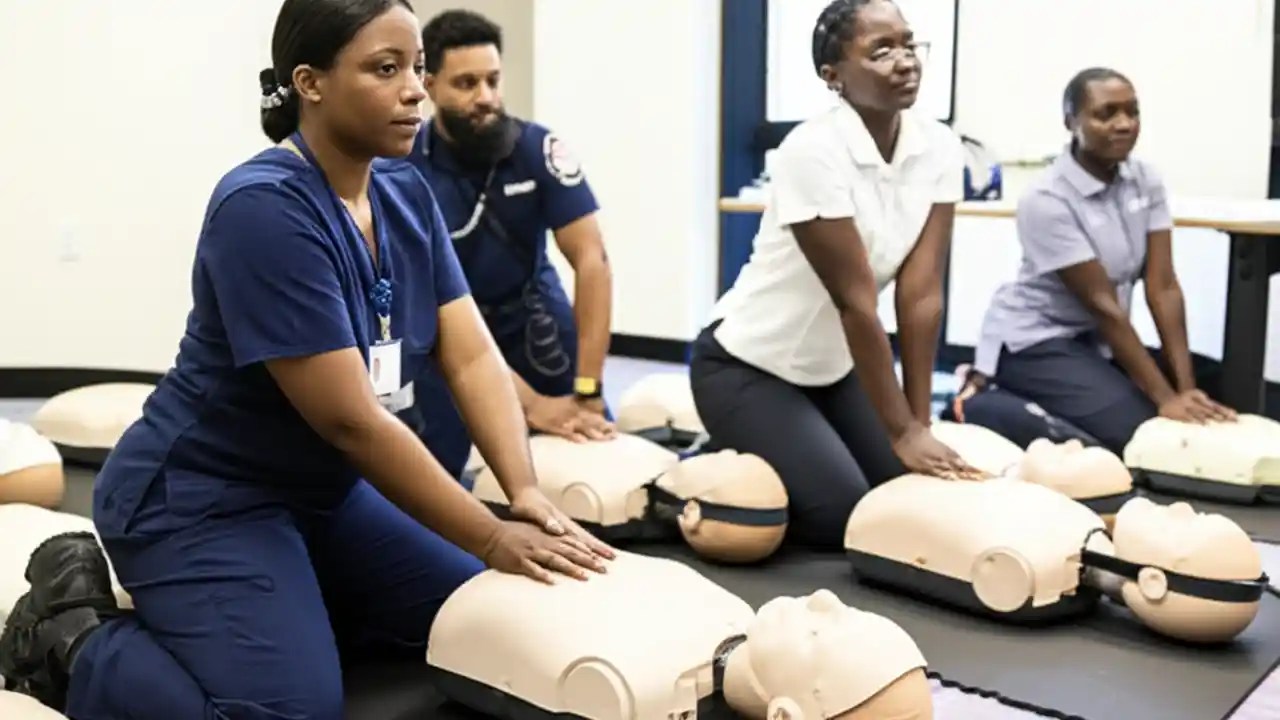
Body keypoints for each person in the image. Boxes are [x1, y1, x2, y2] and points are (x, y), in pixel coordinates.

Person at [0, 1, 614, 717]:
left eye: (416, 68)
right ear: (310, 83)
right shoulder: (264, 209)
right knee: (294, 710)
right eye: (386, 69)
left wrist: (526, 494)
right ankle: (71, 636)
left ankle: (290, 610)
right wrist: (488, 532)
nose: (415, 88)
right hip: (200, 500)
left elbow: (472, 355)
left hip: (323, 493)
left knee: (477, 619)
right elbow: (353, 421)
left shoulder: (403, 190)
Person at [688, 0, 982, 551]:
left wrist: (919, 424)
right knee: (838, 515)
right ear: (833, 76)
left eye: (909, 44)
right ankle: (705, 468)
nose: (905, 61)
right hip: (747, 367)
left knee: (899, 487)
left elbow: (921, 298)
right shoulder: (811, 151)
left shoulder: (938, 146)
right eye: (881, 50)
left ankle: (792, 446)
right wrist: (899, 431)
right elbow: (857, 303)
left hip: (834, 370)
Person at [969, 67, 1236, 455]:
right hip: (1035, 340)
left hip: (1095, 341)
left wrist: (1185, 387)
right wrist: (1165, 398)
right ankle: (984, 403)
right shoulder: (1046, 199)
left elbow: (1162, 286)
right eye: (1106, 113)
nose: (1124, 124)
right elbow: (1103, 305)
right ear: (1071, 121)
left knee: (1213, 384)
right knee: (1139, 426)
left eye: (1133, 112)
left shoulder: (1146, 179)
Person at [403, 9, 615, 482]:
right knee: (439, 481)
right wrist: (533, 405)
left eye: (493, 80)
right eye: (466, 84)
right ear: (430, 85)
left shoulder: (537, 149)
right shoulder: (403, 164)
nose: (486, 98)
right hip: (446, 330)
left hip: (533, 321)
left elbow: (592, 259)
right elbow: (421, 299)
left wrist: (588, 387)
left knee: (591, 445)